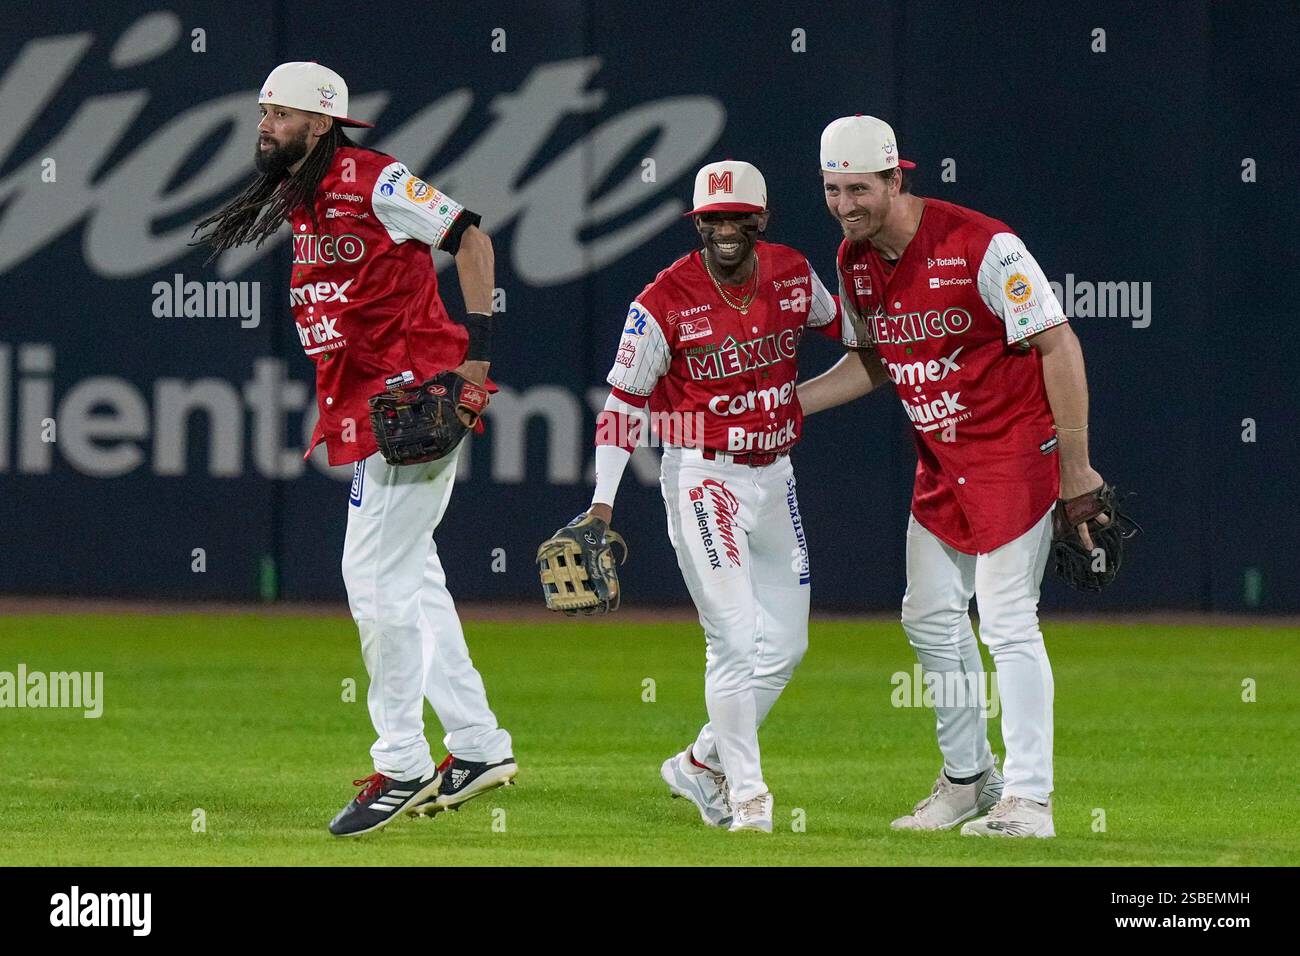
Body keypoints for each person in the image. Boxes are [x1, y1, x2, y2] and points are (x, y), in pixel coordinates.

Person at [193, 61, 516, 837]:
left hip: (416, 396)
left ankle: (402, 763)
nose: (266, 125)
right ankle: (476, 745)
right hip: (377, 401)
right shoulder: (300, 192)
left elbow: (471, 237)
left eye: (281, 113)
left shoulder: (374, 179)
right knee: (413, 578)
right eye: (263, 111)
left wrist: (478, 357)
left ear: (322, 121)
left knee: (370, 578)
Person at [800, 115, 1108, 838]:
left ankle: (1029, 800)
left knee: (1006, 622)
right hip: (942, 462)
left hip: (1013, 455)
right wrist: (791, 405)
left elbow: (1058, 344)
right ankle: (969, 780)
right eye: (831, 189)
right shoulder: (854, 260)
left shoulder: (983, 244)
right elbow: (874, 360)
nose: (845, 205)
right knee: (930, 616)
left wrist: (1077, 468)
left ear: (896, 178)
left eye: (859, 189)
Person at [567, 160, 848, 833]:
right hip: (704, 474)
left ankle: (699, 762)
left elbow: (851, 328)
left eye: (735, 217)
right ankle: (748, 801)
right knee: (734, 639)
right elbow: (622, 406)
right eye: (711, 219)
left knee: (787, 646)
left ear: (760, 220)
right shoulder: (662, 301)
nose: (724, 229)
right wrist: (602, 503)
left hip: (776, 475)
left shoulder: (792, 273)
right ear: (698, 225)